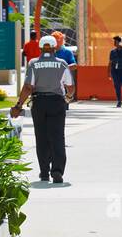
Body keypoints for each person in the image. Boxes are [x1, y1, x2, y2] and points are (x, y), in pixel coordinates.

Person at [11, 35, 75, 183]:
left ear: (40, 48)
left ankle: (44, 172)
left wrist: (18, 105)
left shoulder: (34, 63)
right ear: (54, 48)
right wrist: (67, 98)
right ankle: (57, 171)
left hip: (39, 103)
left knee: (42, 137)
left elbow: (28, 87)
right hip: (57, 102)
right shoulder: (62, 63)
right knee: (58, 136)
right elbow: (70, 87)